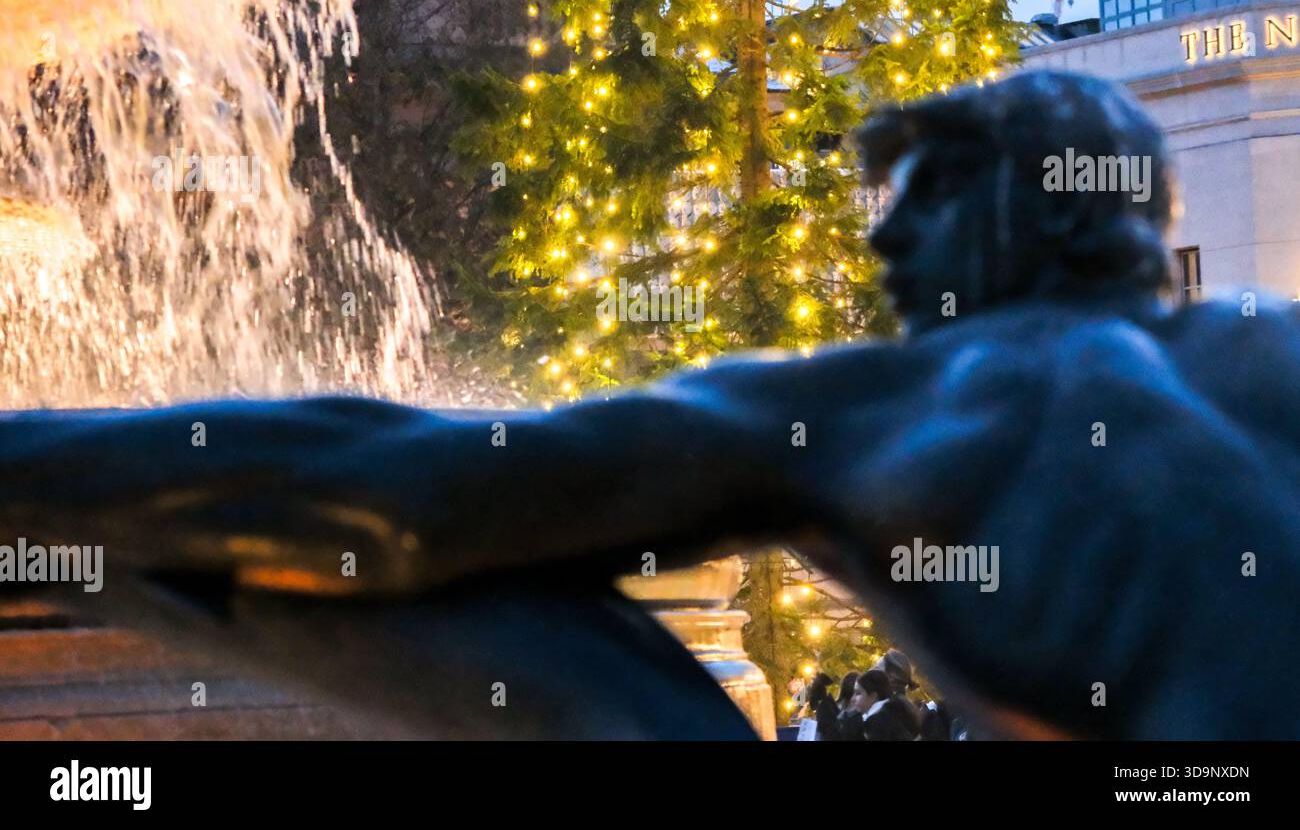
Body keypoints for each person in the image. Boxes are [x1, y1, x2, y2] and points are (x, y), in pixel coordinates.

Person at [4, 71, 1300, 739]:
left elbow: (399, 486)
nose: (890, 250)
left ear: (1018, 210)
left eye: (923, 202)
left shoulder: (914, 399)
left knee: (465, 575)